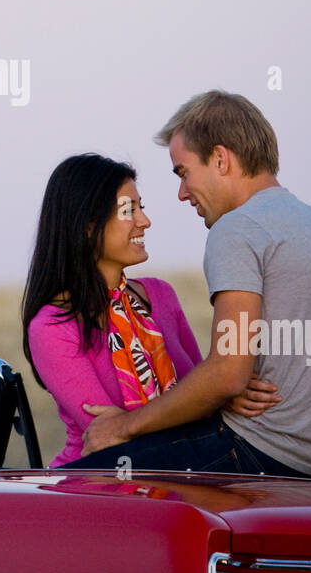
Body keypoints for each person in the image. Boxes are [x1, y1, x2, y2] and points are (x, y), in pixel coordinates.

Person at [67, 91, 311, 481]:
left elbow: (228, 371)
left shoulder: (237, 229)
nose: (181, 193)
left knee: (77, 483)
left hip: (260, 450)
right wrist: (230, 388)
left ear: (221, 159)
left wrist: (122, 427)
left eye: (183, 172)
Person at [22, 153, 278, 468]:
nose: (145, 221)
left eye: (142, 207)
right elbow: (107, 436)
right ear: (88, 225)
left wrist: (222, 394)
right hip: (95, 488)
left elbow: (201, 395)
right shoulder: (53, 327)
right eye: (129, 210)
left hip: (180, 480)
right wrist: (207, 400)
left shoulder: (161, 296)